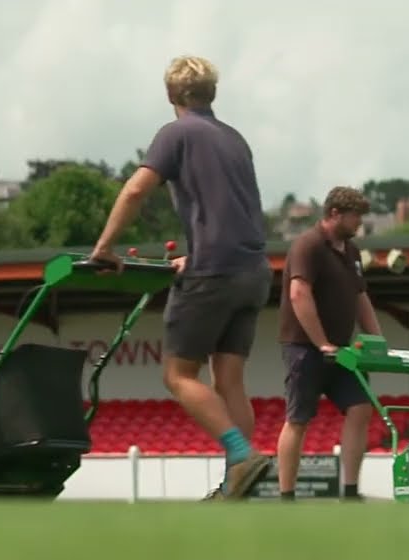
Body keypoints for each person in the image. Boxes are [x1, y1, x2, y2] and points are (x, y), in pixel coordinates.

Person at [88, 55, 273, 500]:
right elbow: (230, 209)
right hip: (253, 270)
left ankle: (241, 456)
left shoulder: (177, 133)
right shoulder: (234, 139)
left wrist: (104, 247)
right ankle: (237, 488)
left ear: (172, 95)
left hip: (214, 271)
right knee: (229, 381)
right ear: (213, 93)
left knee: (177, 375)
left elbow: (135, 189)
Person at [275, 187, 380, 501]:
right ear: (335, 214)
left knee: (361, 408)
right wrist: (320, 343)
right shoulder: (307, 246)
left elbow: (360, 297)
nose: (359, 222)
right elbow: (299, 294)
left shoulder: (351, 251)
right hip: (304, 348)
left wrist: (377, 340)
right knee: (298, 419)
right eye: (355, 216)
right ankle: (286, 496)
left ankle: (350, 491)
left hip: (342, 351)